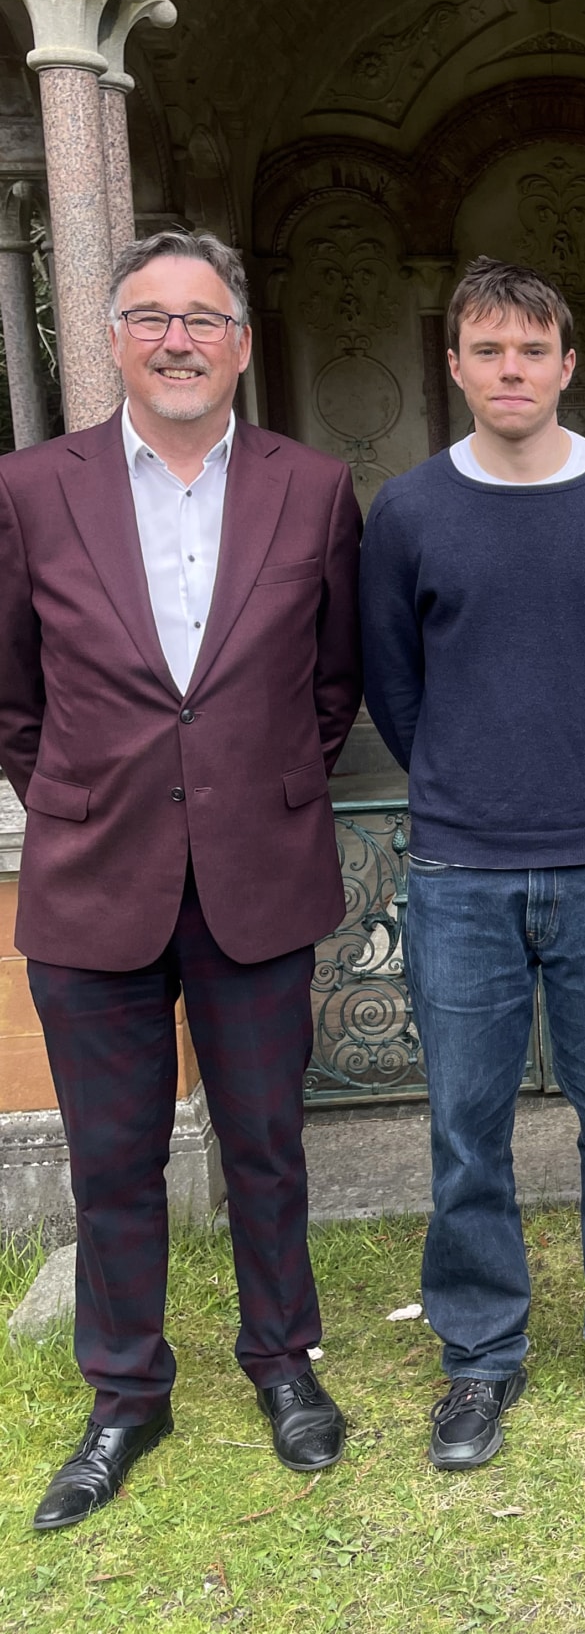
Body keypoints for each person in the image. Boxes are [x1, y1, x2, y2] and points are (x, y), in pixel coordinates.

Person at [0, 231, 363, 1531]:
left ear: (242, 343)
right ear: (111, 339)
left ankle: (282, 1364)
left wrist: (243, 790)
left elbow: (330, 686)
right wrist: (95, 796)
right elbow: (13, 696)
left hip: (256, 880)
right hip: (95, 880)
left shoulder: (313, 489)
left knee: (266, 1145)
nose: (176, 339)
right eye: (150, 317)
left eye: (202, 319)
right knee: (111, 1158)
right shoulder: (32, 489)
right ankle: (125, 1395)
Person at [360, 256, 585, 1471]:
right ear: (454, 364)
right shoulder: (407, 511)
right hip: (459, 868)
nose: (510, 370)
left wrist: (572, 758)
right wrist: (464, 771)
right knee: (466, 1128)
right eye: (487, 350)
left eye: (531, 350)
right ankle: (480, 1358)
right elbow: (395, 682)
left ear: (566, 363)